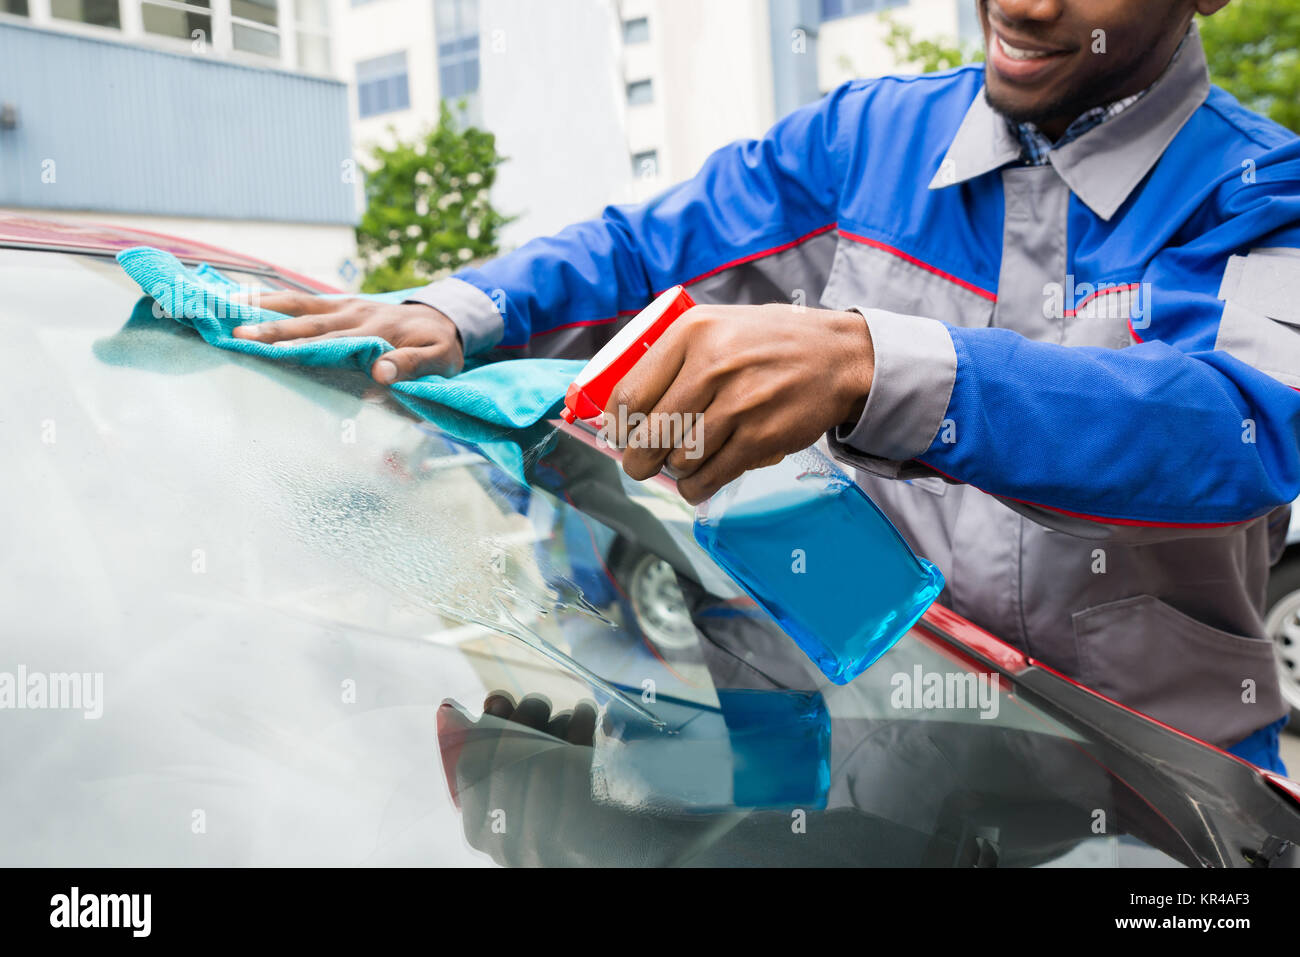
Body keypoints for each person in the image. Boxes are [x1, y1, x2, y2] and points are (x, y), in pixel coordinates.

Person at [236, 0, 1299, 771]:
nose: (1023, 4)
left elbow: (1241, 428)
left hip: (1161, 801)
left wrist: (872, 366)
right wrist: (457, 311)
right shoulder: (861, 142)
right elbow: (643, 250)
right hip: (873, 777)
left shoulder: (1266, 192)